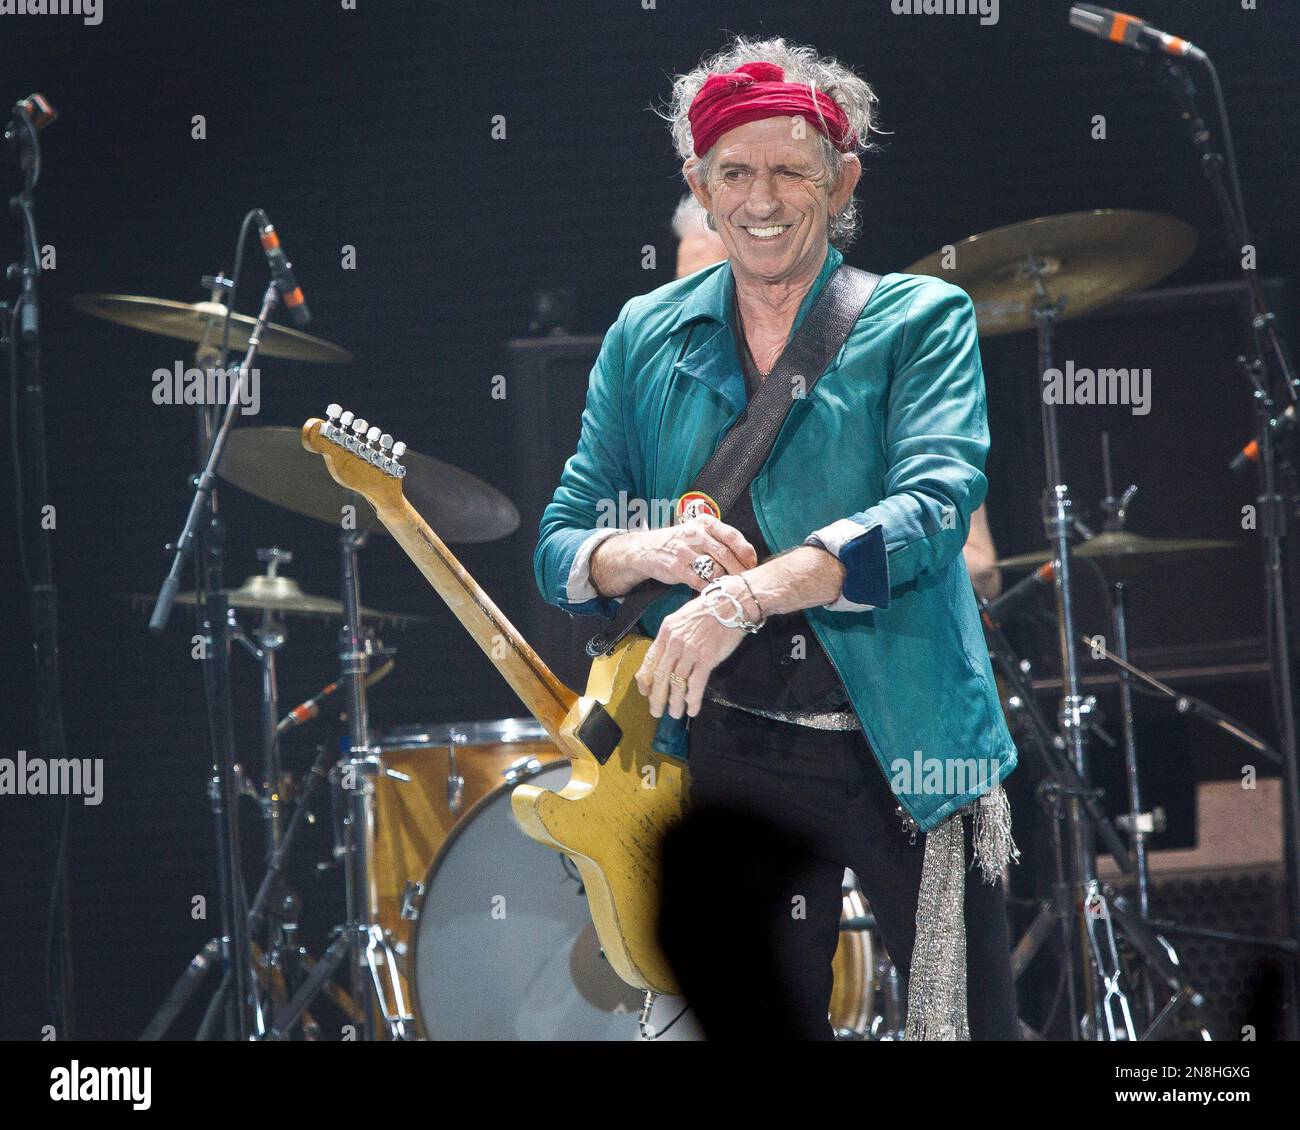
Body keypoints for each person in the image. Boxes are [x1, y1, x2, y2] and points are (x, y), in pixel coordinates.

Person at [534, 36, 1019, 1040]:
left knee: (967, 1026)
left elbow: (931, 514)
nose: (761, 199)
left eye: (790, 170)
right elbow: (559, 542)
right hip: (732, 757)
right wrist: (645, 553)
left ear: (842, 180)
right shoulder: (642, 333)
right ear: (697, 185)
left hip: (911, 744)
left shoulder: (922, 319)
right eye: (734, 173)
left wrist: (742, 597)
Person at [673, 191, 1003, 604]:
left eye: (718, 281)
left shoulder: (896, 363)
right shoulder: (670, 391)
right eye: (685, 289)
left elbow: (978, 565)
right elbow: (576, 532)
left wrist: (780, 584)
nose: (698, 306)